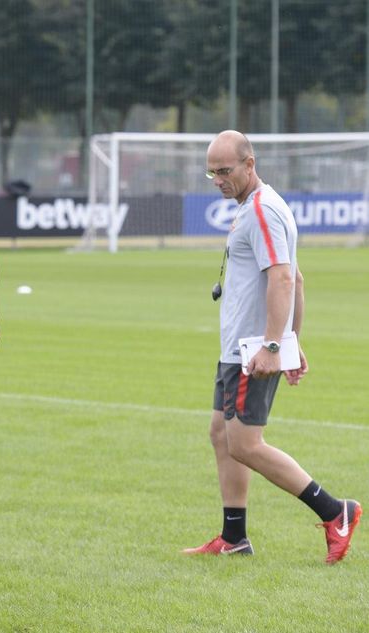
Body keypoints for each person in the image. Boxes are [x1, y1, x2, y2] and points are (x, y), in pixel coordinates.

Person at [183, 130, 360, 564]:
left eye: (225, 171)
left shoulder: (262, 210)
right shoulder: (255, 207)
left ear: (249, 164)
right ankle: (234, 538)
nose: (219, 179)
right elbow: (296, 279)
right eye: (212, 172)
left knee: (244, 442)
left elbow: (283, 277)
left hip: (252, 352)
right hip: (240, 349)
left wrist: (275, 345)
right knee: (221, 435)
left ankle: (336, 511)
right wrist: (292, 345)